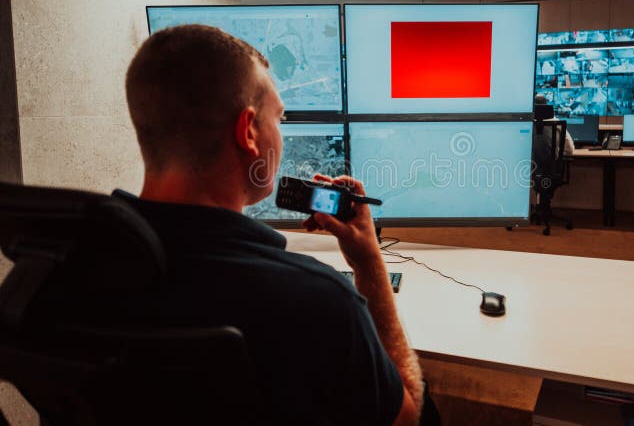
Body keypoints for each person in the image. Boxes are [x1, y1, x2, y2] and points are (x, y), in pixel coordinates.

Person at [31, 25, 423, 425]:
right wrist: (368, 264)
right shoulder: (320, 300)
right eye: (279, 118)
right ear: (248, 131)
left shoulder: (53, 276)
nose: (281, 135)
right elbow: (405, 419)